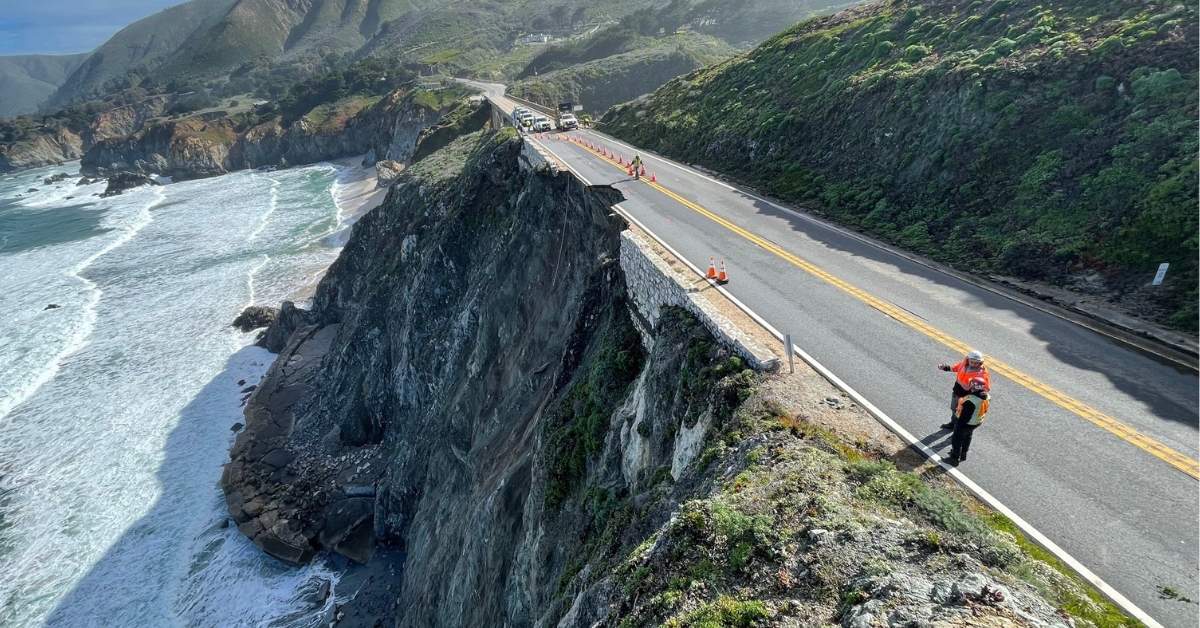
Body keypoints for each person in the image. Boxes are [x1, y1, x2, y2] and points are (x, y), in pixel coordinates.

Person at [938, 349, 990, 430]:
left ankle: (959, 428)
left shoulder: (982, 374)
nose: (973, 364)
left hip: (968, 398)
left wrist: (980, 395)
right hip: (957, 392)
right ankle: (953, 423)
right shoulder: (963, 365)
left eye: (976, 363)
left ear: (980, 362)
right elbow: (955, 368)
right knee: (954, 409)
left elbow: (986, 387)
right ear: (968, 360)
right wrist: (945, 367)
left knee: (963, 413)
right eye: (971, 362)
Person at [949, 377, 989, 462]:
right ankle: (963, 454)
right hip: (977, 421)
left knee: (957, 440)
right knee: (967, 437)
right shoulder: (987, 397)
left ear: (972, 386)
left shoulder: (971, 401)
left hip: (966, 423)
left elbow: (965, 416)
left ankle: (954, 458)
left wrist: (959, 423)